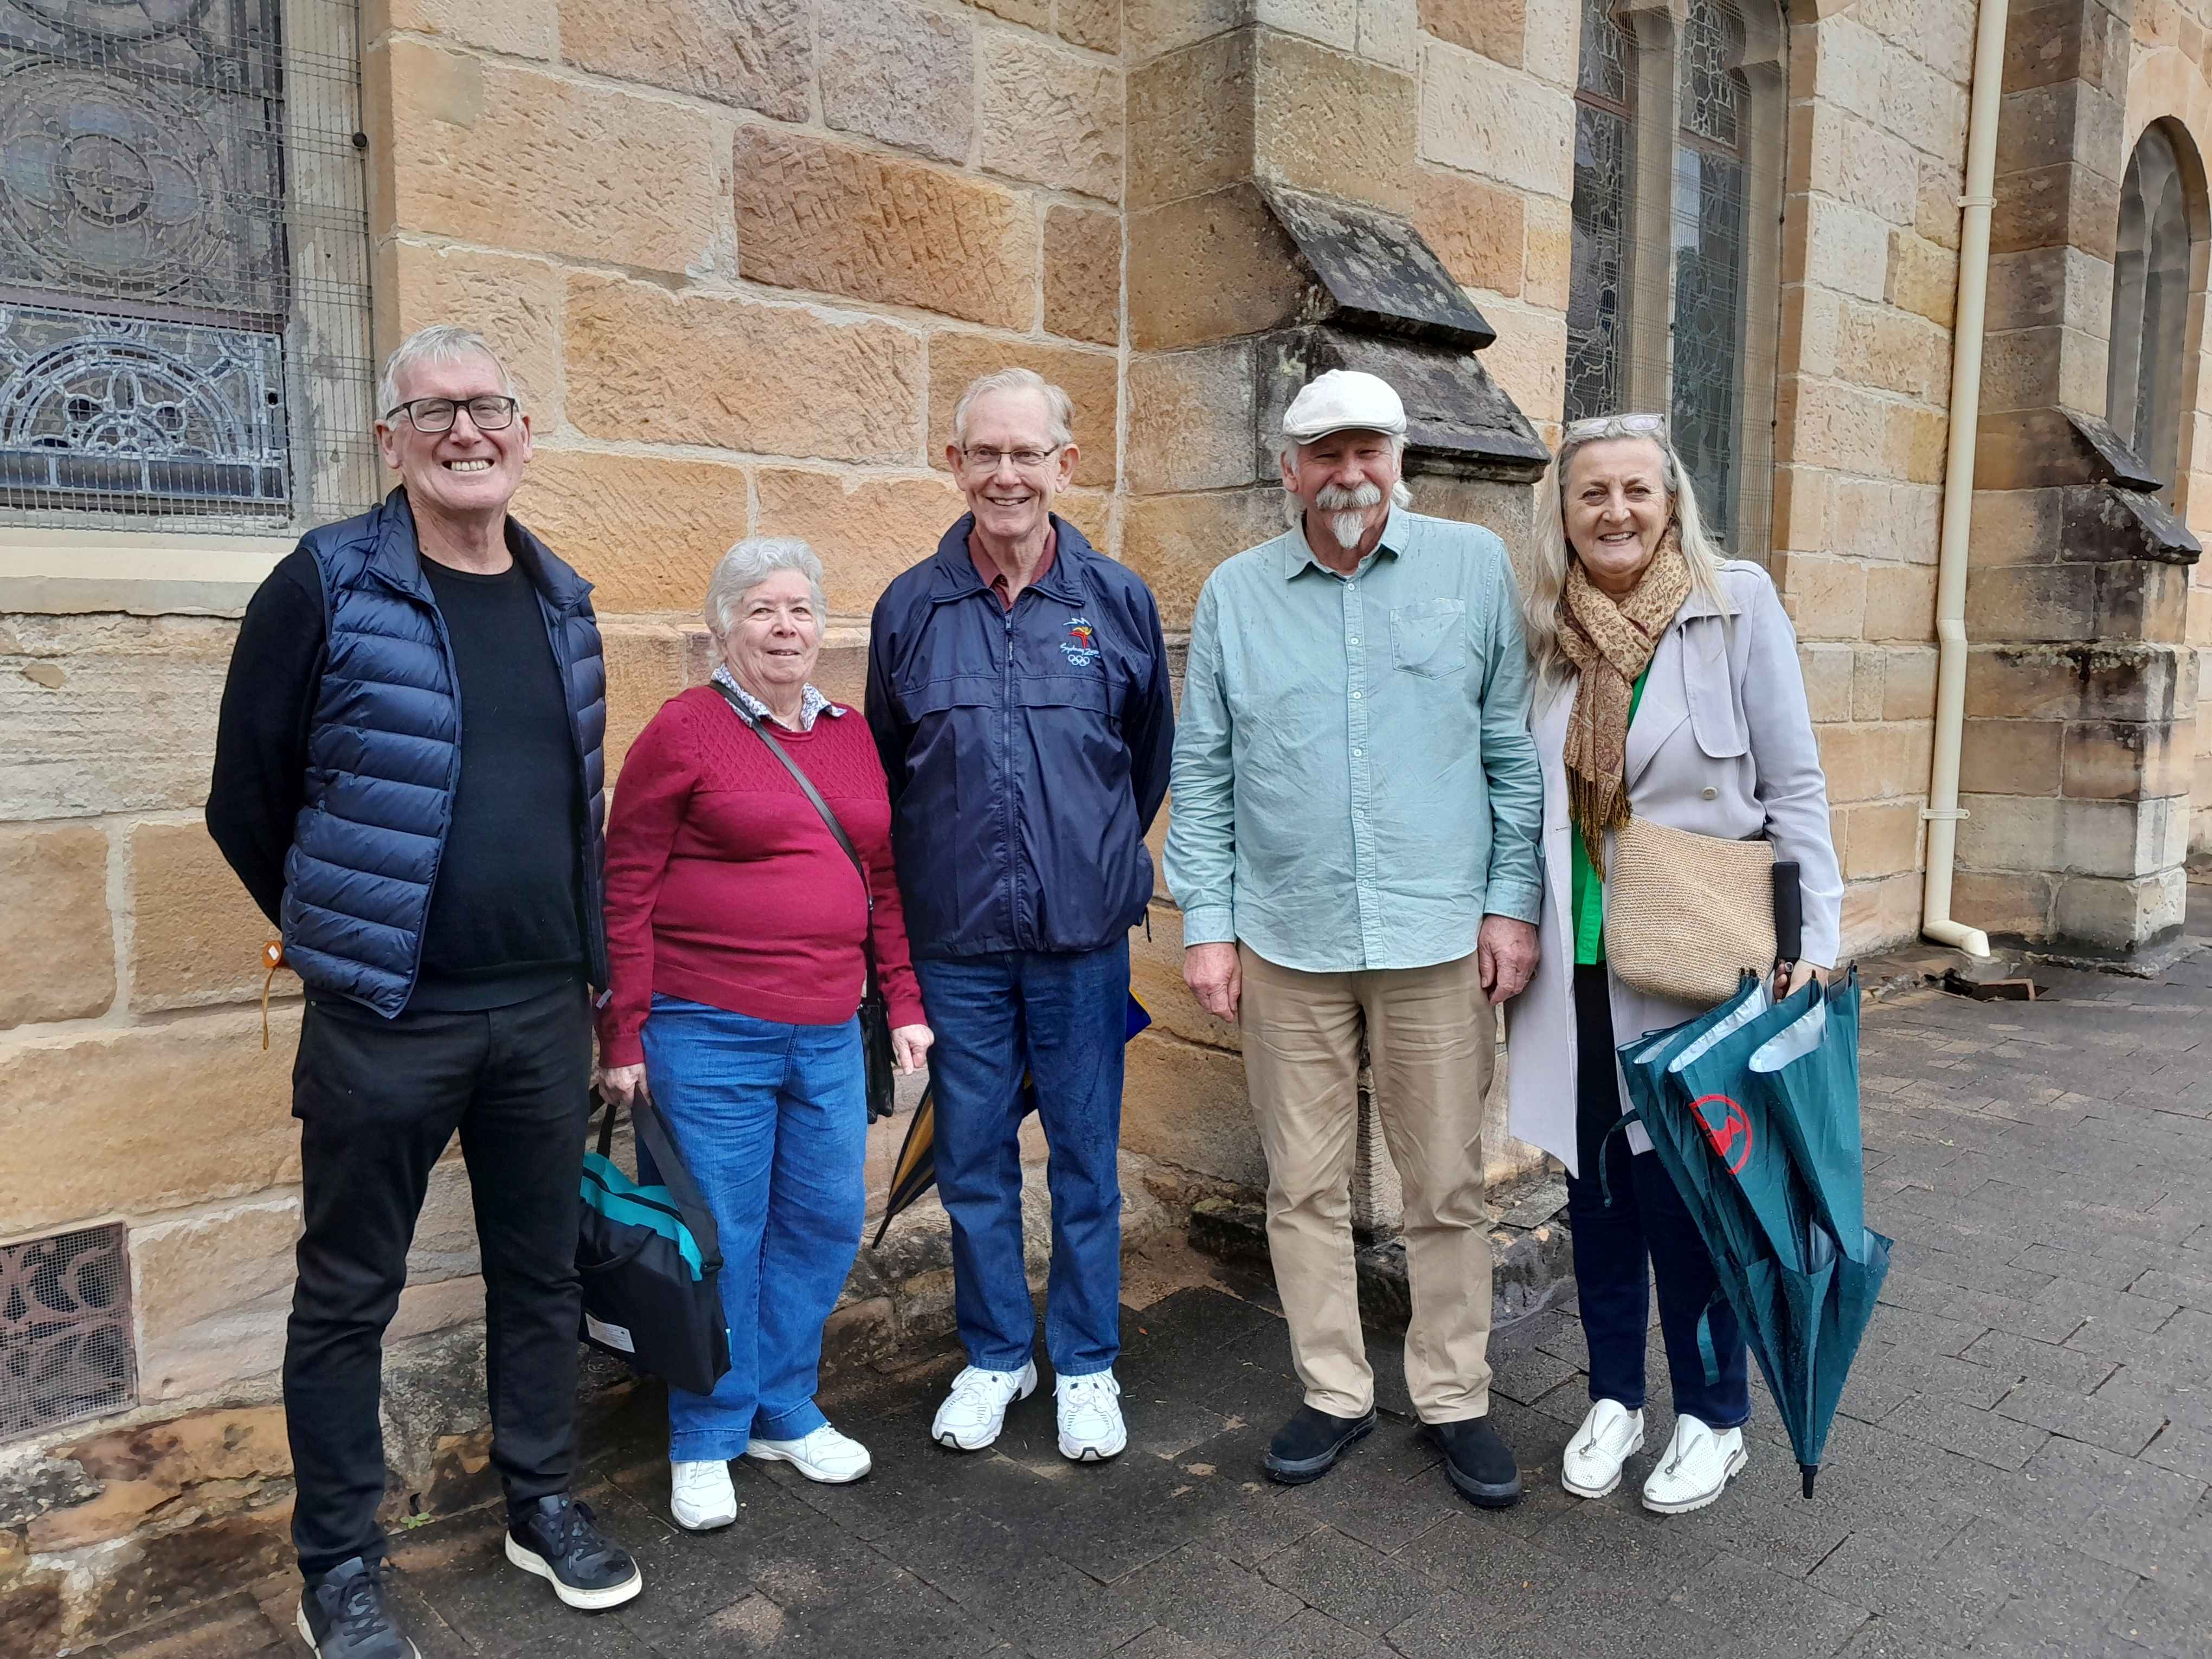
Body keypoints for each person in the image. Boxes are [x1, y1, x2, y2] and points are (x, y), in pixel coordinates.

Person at [207, 325, 641, 1658]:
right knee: (348, 1294)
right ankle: (337, 1563)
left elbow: (578, 808)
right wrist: (347, 938)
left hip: (535, 1015)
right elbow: (246, 800)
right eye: (437, 412)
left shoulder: (564, 602)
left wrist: (583, 982)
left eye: (492, 409)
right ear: (390, 439)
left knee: (538, 1277)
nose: (468, 432)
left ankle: (540, 1502)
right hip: (386, 1019)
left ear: (524, 434)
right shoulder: (326, 582)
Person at [1166, 369, 1545, 1508]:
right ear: (1288, 472)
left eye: (1367, 450)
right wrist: (1209, 925)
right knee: (1304, 1185)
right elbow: (1206, 769)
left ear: (1400, 460)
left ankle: (1453, 1394)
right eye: (1324, 453)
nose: (1348, 474)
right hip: (1287, 934)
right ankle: (1333, 1389)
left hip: (1437, 932)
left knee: (1446, 1183)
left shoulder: (1473, 570)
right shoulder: (1238, 593)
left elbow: (1510, 749)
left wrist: (1509, 902)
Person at [1504, 413, 1842, 1516]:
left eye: (1635, 491)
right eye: (1592, 493)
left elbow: (1795, 791)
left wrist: (1813, 945)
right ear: (1565, 514)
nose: (1615, 512)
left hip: (1697, 961)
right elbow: (1526, 802)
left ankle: (1713, 1414)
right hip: (1580, 963)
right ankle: (1612, 1396)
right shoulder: (1549, 634)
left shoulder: (1734, 606)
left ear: (1671, 500)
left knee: (1693, 1194)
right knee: (1594, 1186)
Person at [866, 367, 1174, 1463]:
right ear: (954, 465)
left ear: (1064, 464)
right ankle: (999, 1355)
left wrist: (1084, 865)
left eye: (1025, 453)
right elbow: (893, 772)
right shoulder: (911, 607)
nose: (1006, 473)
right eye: (983, 453)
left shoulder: (1116, 601)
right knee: (977, 1163)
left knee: (1088, 1158)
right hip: (956, 948)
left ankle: (1086, 1363)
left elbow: (1144, 767)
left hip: (1081, 943)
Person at [596, 537, 933, 1532]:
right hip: (709, 1033)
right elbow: (625, 887)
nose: (785, 628)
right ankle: (706, 1431)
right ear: (722, 626)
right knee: (723, 1237)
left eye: (800, 610)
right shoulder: (683, 732)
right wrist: (623, 1032)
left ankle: (784, 1404)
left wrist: (905, 1003)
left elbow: (879, 880)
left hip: (831, 1029)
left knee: (824, 1220)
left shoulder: (849, 733)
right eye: (762, 611)